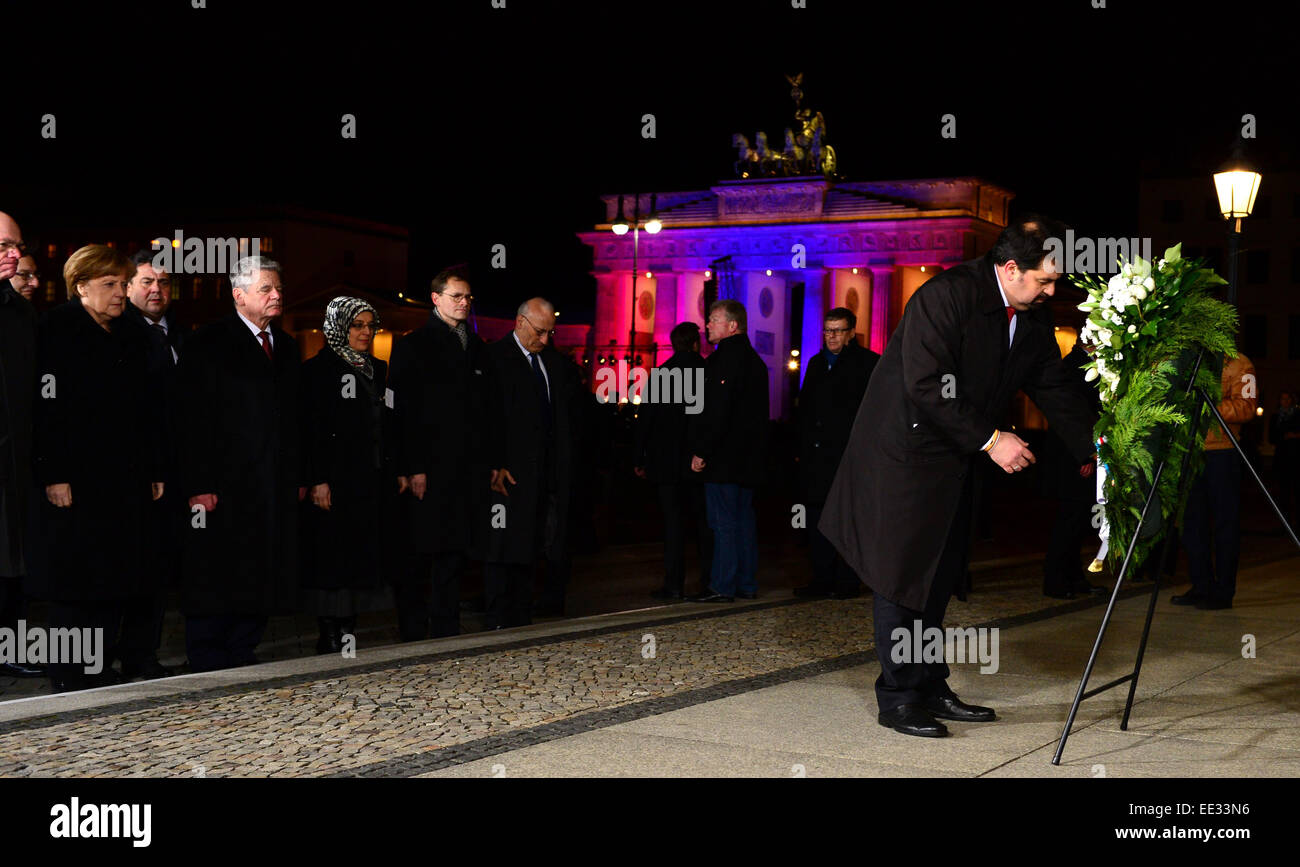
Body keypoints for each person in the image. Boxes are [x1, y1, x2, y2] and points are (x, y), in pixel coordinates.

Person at [819, 216, 1096, 738]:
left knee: (941, 577)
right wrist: (992, 439)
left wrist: (1100, 449)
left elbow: (1055, 389)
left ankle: (928, 684)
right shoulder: (945, 297)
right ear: (1010, 269)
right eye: (1045, 280)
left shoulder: (1031, 318)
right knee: (903, 576)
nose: (1052, 291)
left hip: (956, 458)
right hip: (904, 456)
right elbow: (927, 384)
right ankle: (899, 696)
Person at [30, 245, 163, 692]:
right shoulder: (54, 330)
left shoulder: (130, 333)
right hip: (74, 480)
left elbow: (147, 410)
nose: (121, 294)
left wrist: (153, 468)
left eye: (124, 285)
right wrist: (54, 473)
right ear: (80, 286)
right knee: (75, 581)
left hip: (123, 479)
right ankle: (67, 673)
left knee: (116, 577)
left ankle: (99, 667)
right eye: (110, 285)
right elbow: (44, 410)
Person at [176, 255, 301, 672]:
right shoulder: (207, 341)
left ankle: (244, 644)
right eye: (266, 289)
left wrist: (296, 477)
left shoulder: (285, 345)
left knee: (263, 564)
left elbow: (295, 418)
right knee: (216, 568)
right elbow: (191, 420)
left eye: (278, 288)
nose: (276, 295)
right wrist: (199, 482)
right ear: (238, 295)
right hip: (223, 485)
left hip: (272, 482)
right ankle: (208, 652)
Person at [388, 267, 492, 639]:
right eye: (456, 296)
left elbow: (484, 411)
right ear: (436, 298)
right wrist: (411, 466)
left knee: (454, 551)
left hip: (465, 469)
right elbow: (401, 412)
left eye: (468, 297)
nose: (464, 303)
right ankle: (413, 628)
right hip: (427, 468)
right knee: (419, 551)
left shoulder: (478, 346)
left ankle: (445, 625)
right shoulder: (413, 345)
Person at [300, 297, 393, 652]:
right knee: (332, 555)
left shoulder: (378, 369)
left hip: (370, 477)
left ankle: (349, 627)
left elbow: (387, 420)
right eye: (358, 325)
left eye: (371, 325)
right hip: (335, 480)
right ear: (340, 327)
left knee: (359, 553)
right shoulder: (317, 371)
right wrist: (318, 479)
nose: (366, 332)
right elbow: (313, 430)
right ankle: (329, 632)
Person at [113, 249, 185, 680]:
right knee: (127, 565)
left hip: (174, 471)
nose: (156, 290)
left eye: (163, 283)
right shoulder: (118, 333)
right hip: (136, 472)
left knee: (158, 570)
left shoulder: (181, 334)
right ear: (127, 286)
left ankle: (144, 653)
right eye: (146, 282)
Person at [482, 298, 575, 629]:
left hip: (545, 475)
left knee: (532, 546)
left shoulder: (553, 362)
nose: (546, 339)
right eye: (540, 331)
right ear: (520, 322)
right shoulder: (493, 358)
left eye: (550, 331)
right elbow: (486, 418)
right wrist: (495, 463)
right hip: (506, 474)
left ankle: (522, 617)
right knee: (500, 546)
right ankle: (496, 617)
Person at [688, 299, 770, 603]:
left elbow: (717, 413)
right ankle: (746, 583)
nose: (707, 324)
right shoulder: (756, 362)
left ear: (732, 325)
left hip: (724, 459)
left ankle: (722, 584)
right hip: (749, 460)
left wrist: (702, 450)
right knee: (744, 521)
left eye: (713, 319)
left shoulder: (723, 361)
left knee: (722, 523)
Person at [794, 307, 879, 599]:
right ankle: (821, 578)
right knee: (818, 520)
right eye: (828, 330)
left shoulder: (868, 363)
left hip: (849, 457)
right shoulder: (816, 363)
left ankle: (848, 580)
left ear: (851, 333)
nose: (831, 336)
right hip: (817, 459)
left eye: (838, 330)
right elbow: (805, 408)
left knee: (850, 519)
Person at [1172, 352, 1256, 610]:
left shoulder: (1240, 363)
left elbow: (1247, 407)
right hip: (1188, 449)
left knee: (1225, 523)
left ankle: (1223, 590)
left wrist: (1207, 406)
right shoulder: (1185, 358)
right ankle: (1202, 585)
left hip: (1223, 451)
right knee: (1191, 523)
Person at [634, 321, 712, 600]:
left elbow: (646, 420)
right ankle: (708, 582)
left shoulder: (661, 374)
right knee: (704, 524)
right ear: (695, 343)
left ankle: (674, 583)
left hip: (665, 462)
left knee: (672, 524)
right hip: (697, 461)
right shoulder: (706, 372)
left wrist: (639, 456)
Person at [0, 213, 39, 678]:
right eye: (6, 246)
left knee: (13, 566)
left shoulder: (22, 313)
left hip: (15, 465)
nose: (15, 254)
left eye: (18, 245)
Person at [1040, 338, 1105, 598]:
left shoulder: (1085, 364)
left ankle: (1073, 577)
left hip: (1082, 454)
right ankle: (1056, 581)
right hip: (1073, 458)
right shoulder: (1074, 367)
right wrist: (1084, 457)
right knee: (1069, 522)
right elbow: (1071, 417)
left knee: (1077, 522)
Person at [1269, 390, 1300, 528]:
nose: (1285, 401)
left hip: (1296, 458)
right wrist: (1283, 437)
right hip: (1282, 458)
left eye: (1288, 399)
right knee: (1283, 491)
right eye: (1283, 399)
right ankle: (1284, 522)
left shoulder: (1298, 415)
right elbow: (1272, 437)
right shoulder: (1276, 417)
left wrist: (1295, 436)